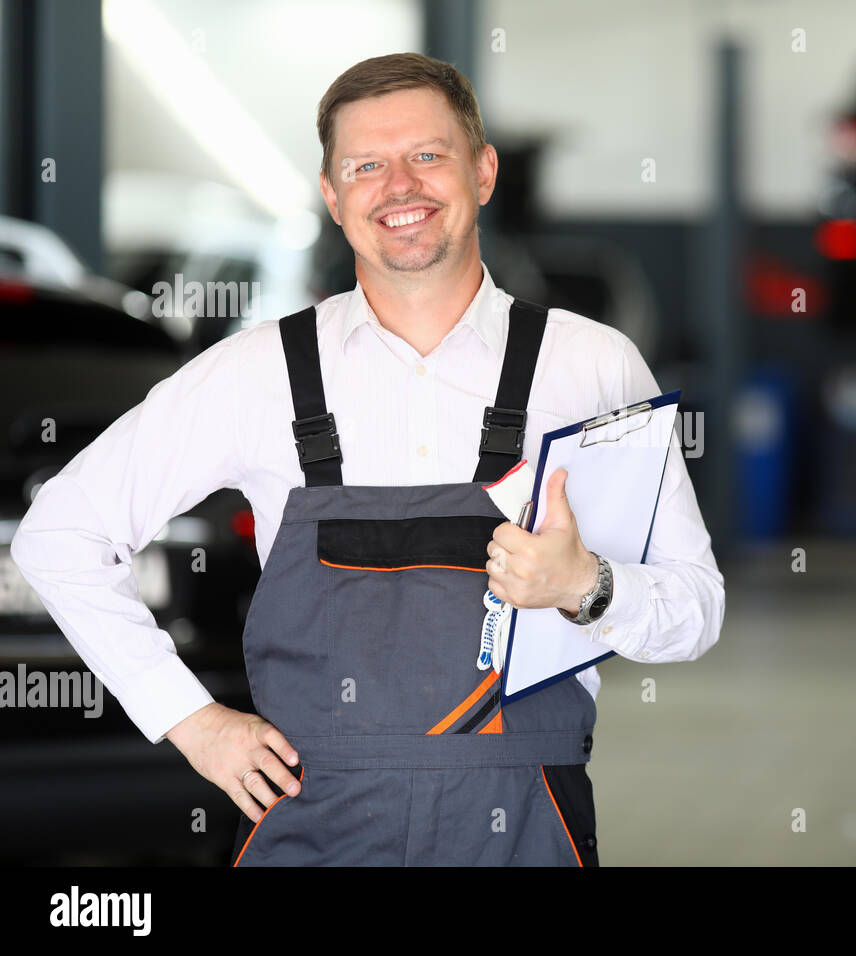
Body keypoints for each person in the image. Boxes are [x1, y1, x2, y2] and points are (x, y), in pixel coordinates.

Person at [10, 52, 724, 866]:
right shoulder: (257, 372)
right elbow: (59, 533)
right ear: (332, 196)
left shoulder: (593, 366)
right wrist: (191, 722)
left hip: (524, 824)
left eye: (428, 155)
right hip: (316, 825)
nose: (400, 186)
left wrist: (585, 587)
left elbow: (696, 609)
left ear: (482, 172)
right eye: (365, 166)